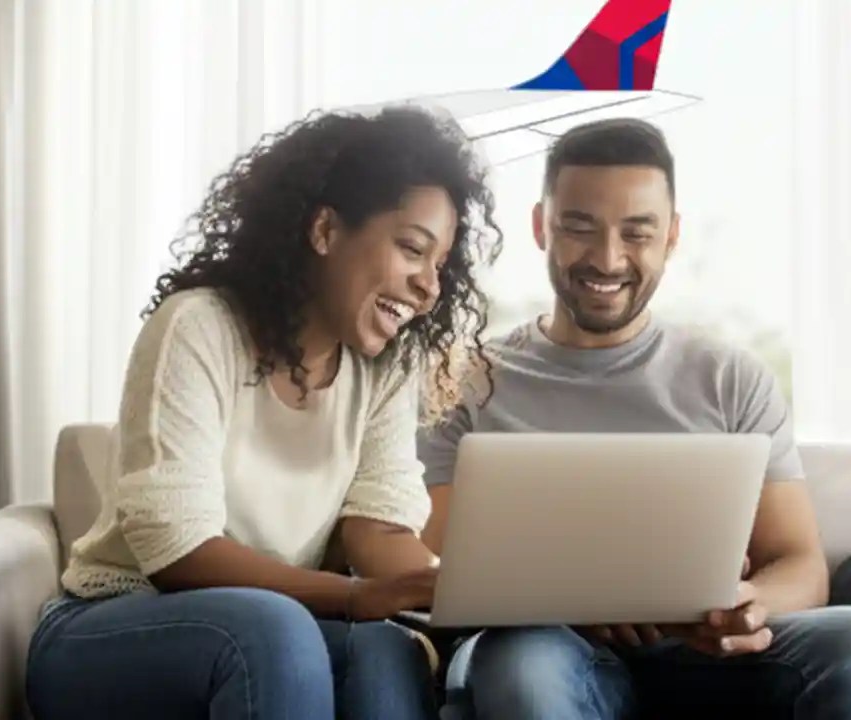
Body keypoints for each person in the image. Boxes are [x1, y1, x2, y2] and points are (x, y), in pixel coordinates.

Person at [417, 118, 851, 719]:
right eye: (579, 227)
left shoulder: (729, 378)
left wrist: (749, 605)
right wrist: (581, 598)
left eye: (637, 232)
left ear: (672, 236)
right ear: (539, 227)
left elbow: (800, 563)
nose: (607, 258)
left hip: (708, 654)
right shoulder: (464, 381)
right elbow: (437, 568)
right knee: (521, 665)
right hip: (548, 648)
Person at [25, 106, 502, 720]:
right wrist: (357, 595)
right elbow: (179, 551)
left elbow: (377, 531)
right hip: (108, 630)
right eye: (413, 248)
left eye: (440, 266)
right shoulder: (197, 328)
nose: (430, 287)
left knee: (385, 649)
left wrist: (462, 587)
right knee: (275, 627)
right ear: (326, 230)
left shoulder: (382, 369)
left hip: (275, 631)